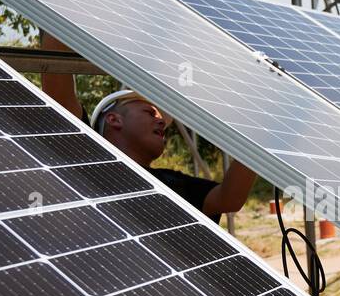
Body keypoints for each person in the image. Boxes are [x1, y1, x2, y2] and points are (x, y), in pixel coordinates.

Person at [90, 89, 257, 222]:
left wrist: (258, 132)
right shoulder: (84, 172)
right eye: (150, 113)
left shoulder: (172, 183)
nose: (162, 121)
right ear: (114, 120)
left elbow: (228, 198)